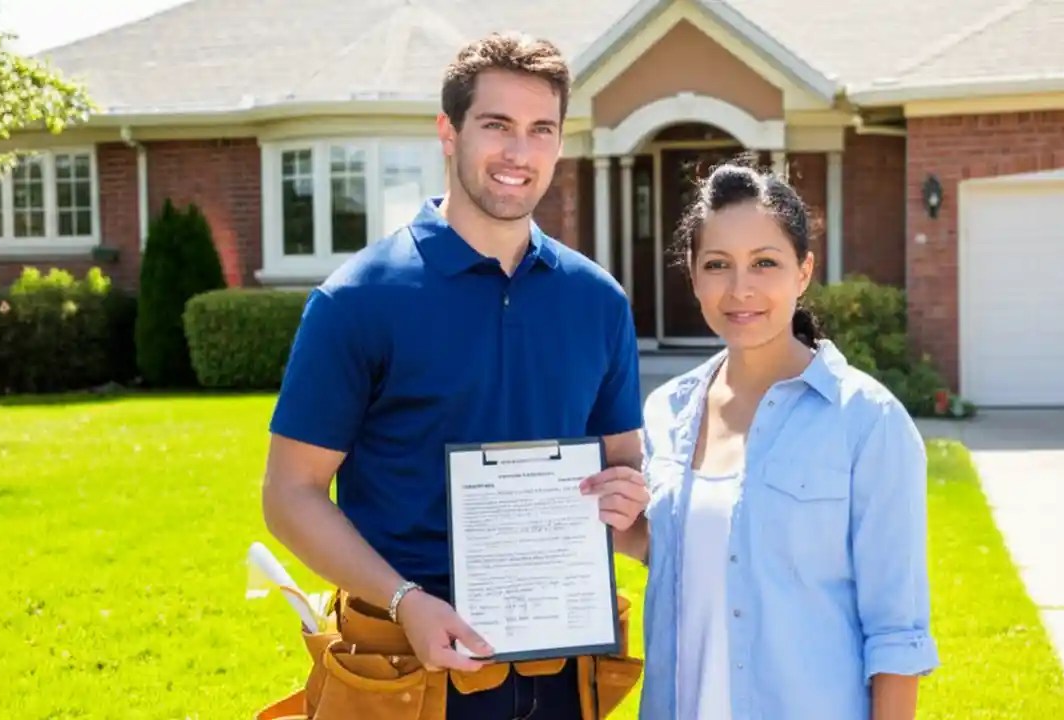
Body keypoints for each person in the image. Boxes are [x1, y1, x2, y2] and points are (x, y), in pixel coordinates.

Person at [261, 31, 649, 720]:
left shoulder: (598, 302)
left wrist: (628, 503)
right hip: (405, 672)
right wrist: (405, 600)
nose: (519, 154)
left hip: (562, 674)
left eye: (541, 130)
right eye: (497, 126)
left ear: (560, 142)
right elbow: (291, 494)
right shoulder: (358, 300)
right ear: (449, 131)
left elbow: (624, 481)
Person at [624, 158, 939, 719]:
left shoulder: (867, 422)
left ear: (803, 271)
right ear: (693, 276)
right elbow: (703, 550)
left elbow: (897, 635)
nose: (740, 288)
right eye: (718, 264)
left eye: (764, 262)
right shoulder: (666, 411)